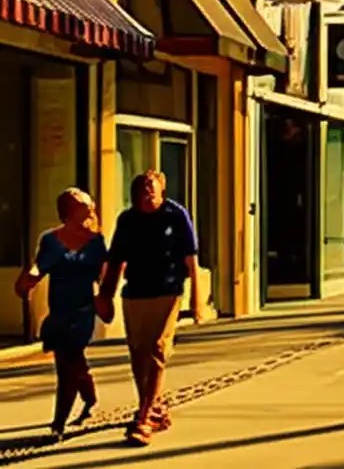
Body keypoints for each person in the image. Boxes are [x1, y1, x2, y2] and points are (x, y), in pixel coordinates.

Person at [97, 170, 204, 447]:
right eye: (140, 191)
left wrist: (197, 301)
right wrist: (105, 297)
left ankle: (143, 417)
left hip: (167, 292)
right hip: (135, 293)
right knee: (138, 353)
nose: (145, 195)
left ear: (162, 192)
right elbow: (117, 260)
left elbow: (191, 261)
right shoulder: (127, 220)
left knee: (157, 348)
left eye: (150, 190)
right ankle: (153, 407)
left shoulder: (176, 215)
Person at [13, 188, 108, 439]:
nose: (89, 208)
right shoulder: (51, 240)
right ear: (68, 211)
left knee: (69, 363)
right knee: (71, 363)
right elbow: (39, 266)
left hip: (83, 312)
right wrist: (29, 279)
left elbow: (105, 276)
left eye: (89, 204)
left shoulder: (96, 242)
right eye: (82, 204)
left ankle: (58, 422)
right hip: (59, 312)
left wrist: (104, 298)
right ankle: (90, 398)